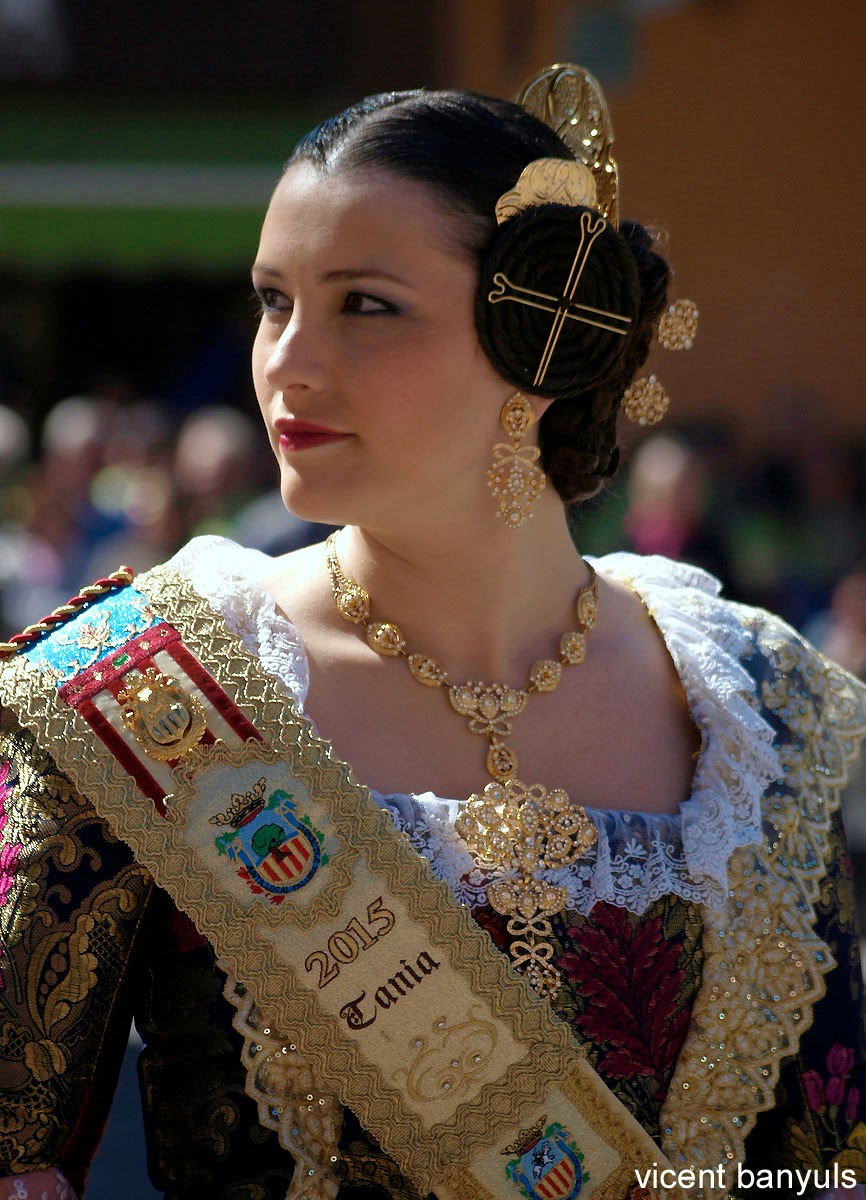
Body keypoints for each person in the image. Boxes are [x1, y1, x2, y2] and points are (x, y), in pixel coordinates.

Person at [1, 65, 865, 1200]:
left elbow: (821, 1164)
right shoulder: (144, 690)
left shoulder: (759, 708)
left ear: (544, 341)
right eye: (272, 301)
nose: (286, 361)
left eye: (365, 305)